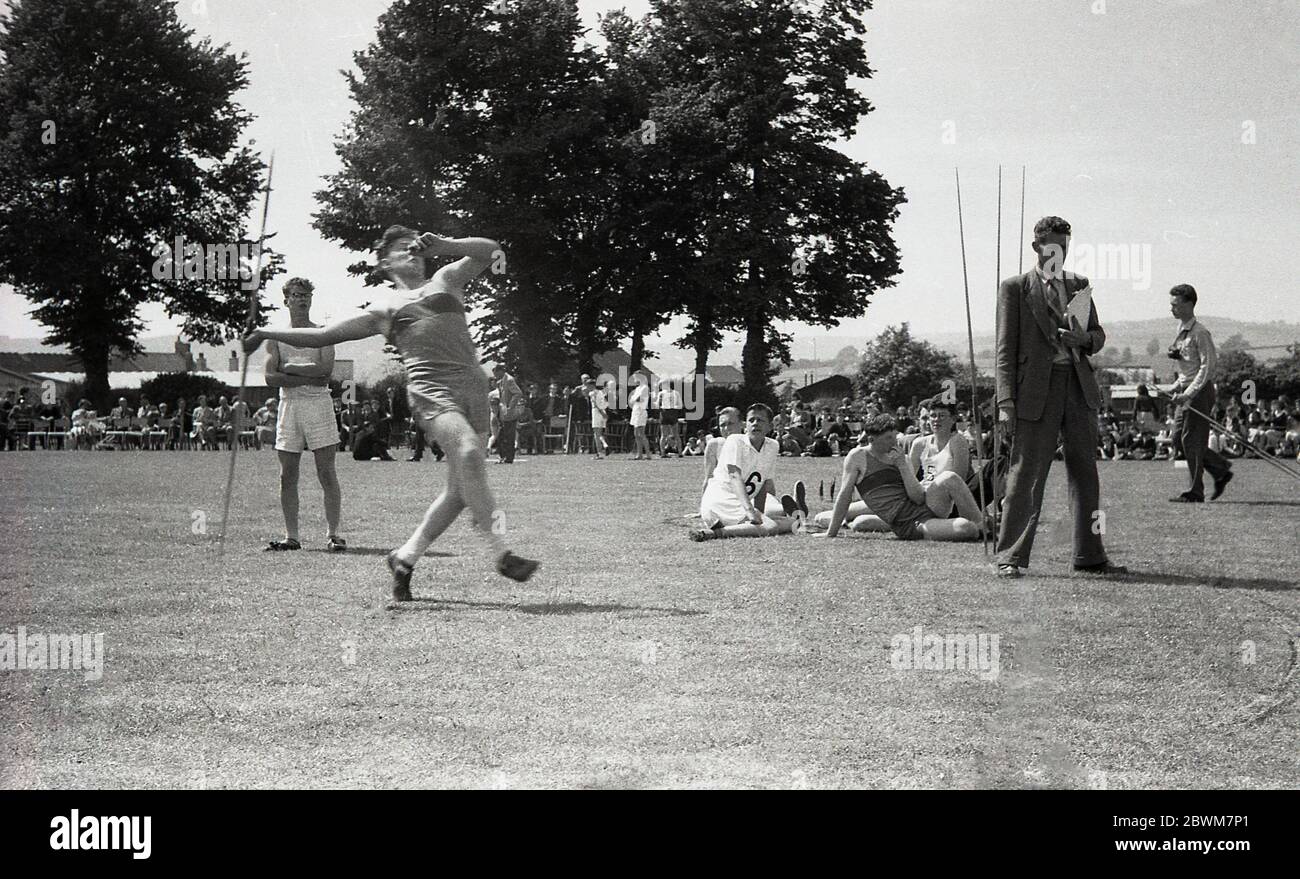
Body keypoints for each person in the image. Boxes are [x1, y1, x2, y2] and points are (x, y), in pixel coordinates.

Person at [243, 226, 539, 600]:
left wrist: (446, 244)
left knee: (459, 491)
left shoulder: (446, 279)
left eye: (415, 247)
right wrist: (265, 331)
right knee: (467, 453)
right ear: (385, 263)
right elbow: (322, 337)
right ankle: (502, 554)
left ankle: (404, 557)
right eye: (401, 249)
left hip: (473, 388)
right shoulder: (384, 309)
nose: (412, 252)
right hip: (433, 390)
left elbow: (491, 249)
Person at [992, 216, 1126, 578]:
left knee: (1086, 475)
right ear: (1036, 247)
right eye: (1053, 246)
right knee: (1026, 476)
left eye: (1065, 246)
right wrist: (1006, 402)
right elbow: (1004, 351)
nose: (1060, 253)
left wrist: (1082, 340)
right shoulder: (1015, 288)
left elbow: (1097, 335)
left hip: (1078, 387)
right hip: (1034, 393)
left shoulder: (1080, 285)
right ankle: (1010, 557)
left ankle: (1091, 556)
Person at [261, 277, 346, 551]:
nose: (301, 299)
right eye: (296, 295)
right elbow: (270, 378)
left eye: (306, 295)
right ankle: (291, 536)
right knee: (287, 474)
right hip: (289, 406)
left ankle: (334, 534)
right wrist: (305, 372)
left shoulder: (324, 333)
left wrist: (289, 369)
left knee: (326, 472)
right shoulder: (275, 337)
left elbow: (325, 374)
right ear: (286, 300)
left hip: (319, 405)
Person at [814, 414, 990, 541]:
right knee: (966, 528)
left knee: (949, 477)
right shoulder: (858, 457)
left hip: (927, 505)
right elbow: (845, 495)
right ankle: (975, 528)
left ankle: (984, 527)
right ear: (871, 439)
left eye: (895, 437)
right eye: (888, 438)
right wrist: (831, 533)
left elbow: (918, 497)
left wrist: (902, 465)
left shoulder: (900, 458)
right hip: (911, 523)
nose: (894, 442)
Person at [1162, 284, 1233, 502]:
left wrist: (1189, 393)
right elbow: (1187, 368)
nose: (1171, 308)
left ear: (1189, 304)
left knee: (1191, 439)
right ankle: (1220, 468)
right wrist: (1174, 388)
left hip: (1199, 392)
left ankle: (1195, 492)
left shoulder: (1200, 333)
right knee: (1178, 439)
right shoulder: (1181, 330)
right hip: (1186, 390)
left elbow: (1207, 367)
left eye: (1176, 304)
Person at [690, 404, 800, 540]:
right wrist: (750, 511)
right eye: (751, 420)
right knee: (770, 527)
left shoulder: (772, 445)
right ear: (745, 425)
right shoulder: (735, 441)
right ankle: (714, 534)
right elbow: (734, 476)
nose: (755, 424)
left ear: (770, 426)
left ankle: (744, 527)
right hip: (721, 500)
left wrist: (759, 513)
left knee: (794, 522)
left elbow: (762, 483)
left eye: (760, 420)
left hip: (741, 501)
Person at [492, 364, 522, 464]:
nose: (495, 376)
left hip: (510, 413)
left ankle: (508, 458)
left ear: (500, 371)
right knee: (501, 436)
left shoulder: (509, 380)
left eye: (496, 373)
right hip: (503, 413)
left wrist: (510, 406)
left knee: (509, 437)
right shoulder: (501, 381)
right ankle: (503, 456)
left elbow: (518, 393)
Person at [655, 378, 682, 457]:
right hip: (671, 413)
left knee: (665, 435)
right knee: (674, 434)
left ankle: (663, 452)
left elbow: (657, 405)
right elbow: (680, 405)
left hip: (666, 413)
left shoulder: (662, 394)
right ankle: (679, 452)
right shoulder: (675, 393)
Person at [586, 375, 610, 459]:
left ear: (591, 385)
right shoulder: (600, 392)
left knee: (596, 434)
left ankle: (600, 452)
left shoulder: (592, 393)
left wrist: (601, 412)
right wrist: (604, 413)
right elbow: (606, 403)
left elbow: (596, 404)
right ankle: (604, 445)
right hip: (602, 411)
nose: (587, 387)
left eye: (588, 385)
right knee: (599, 433)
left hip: (596, 412)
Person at [629, 377, 652, 460]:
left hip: (641, 411)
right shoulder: (637, 388)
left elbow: (639, 399)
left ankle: (648, 454)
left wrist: (634, 398)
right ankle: (639, 454)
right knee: (636, 434)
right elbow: (631, 400)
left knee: (641, 434)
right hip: (635, 410)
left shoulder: (645, 388)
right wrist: (634, 398)